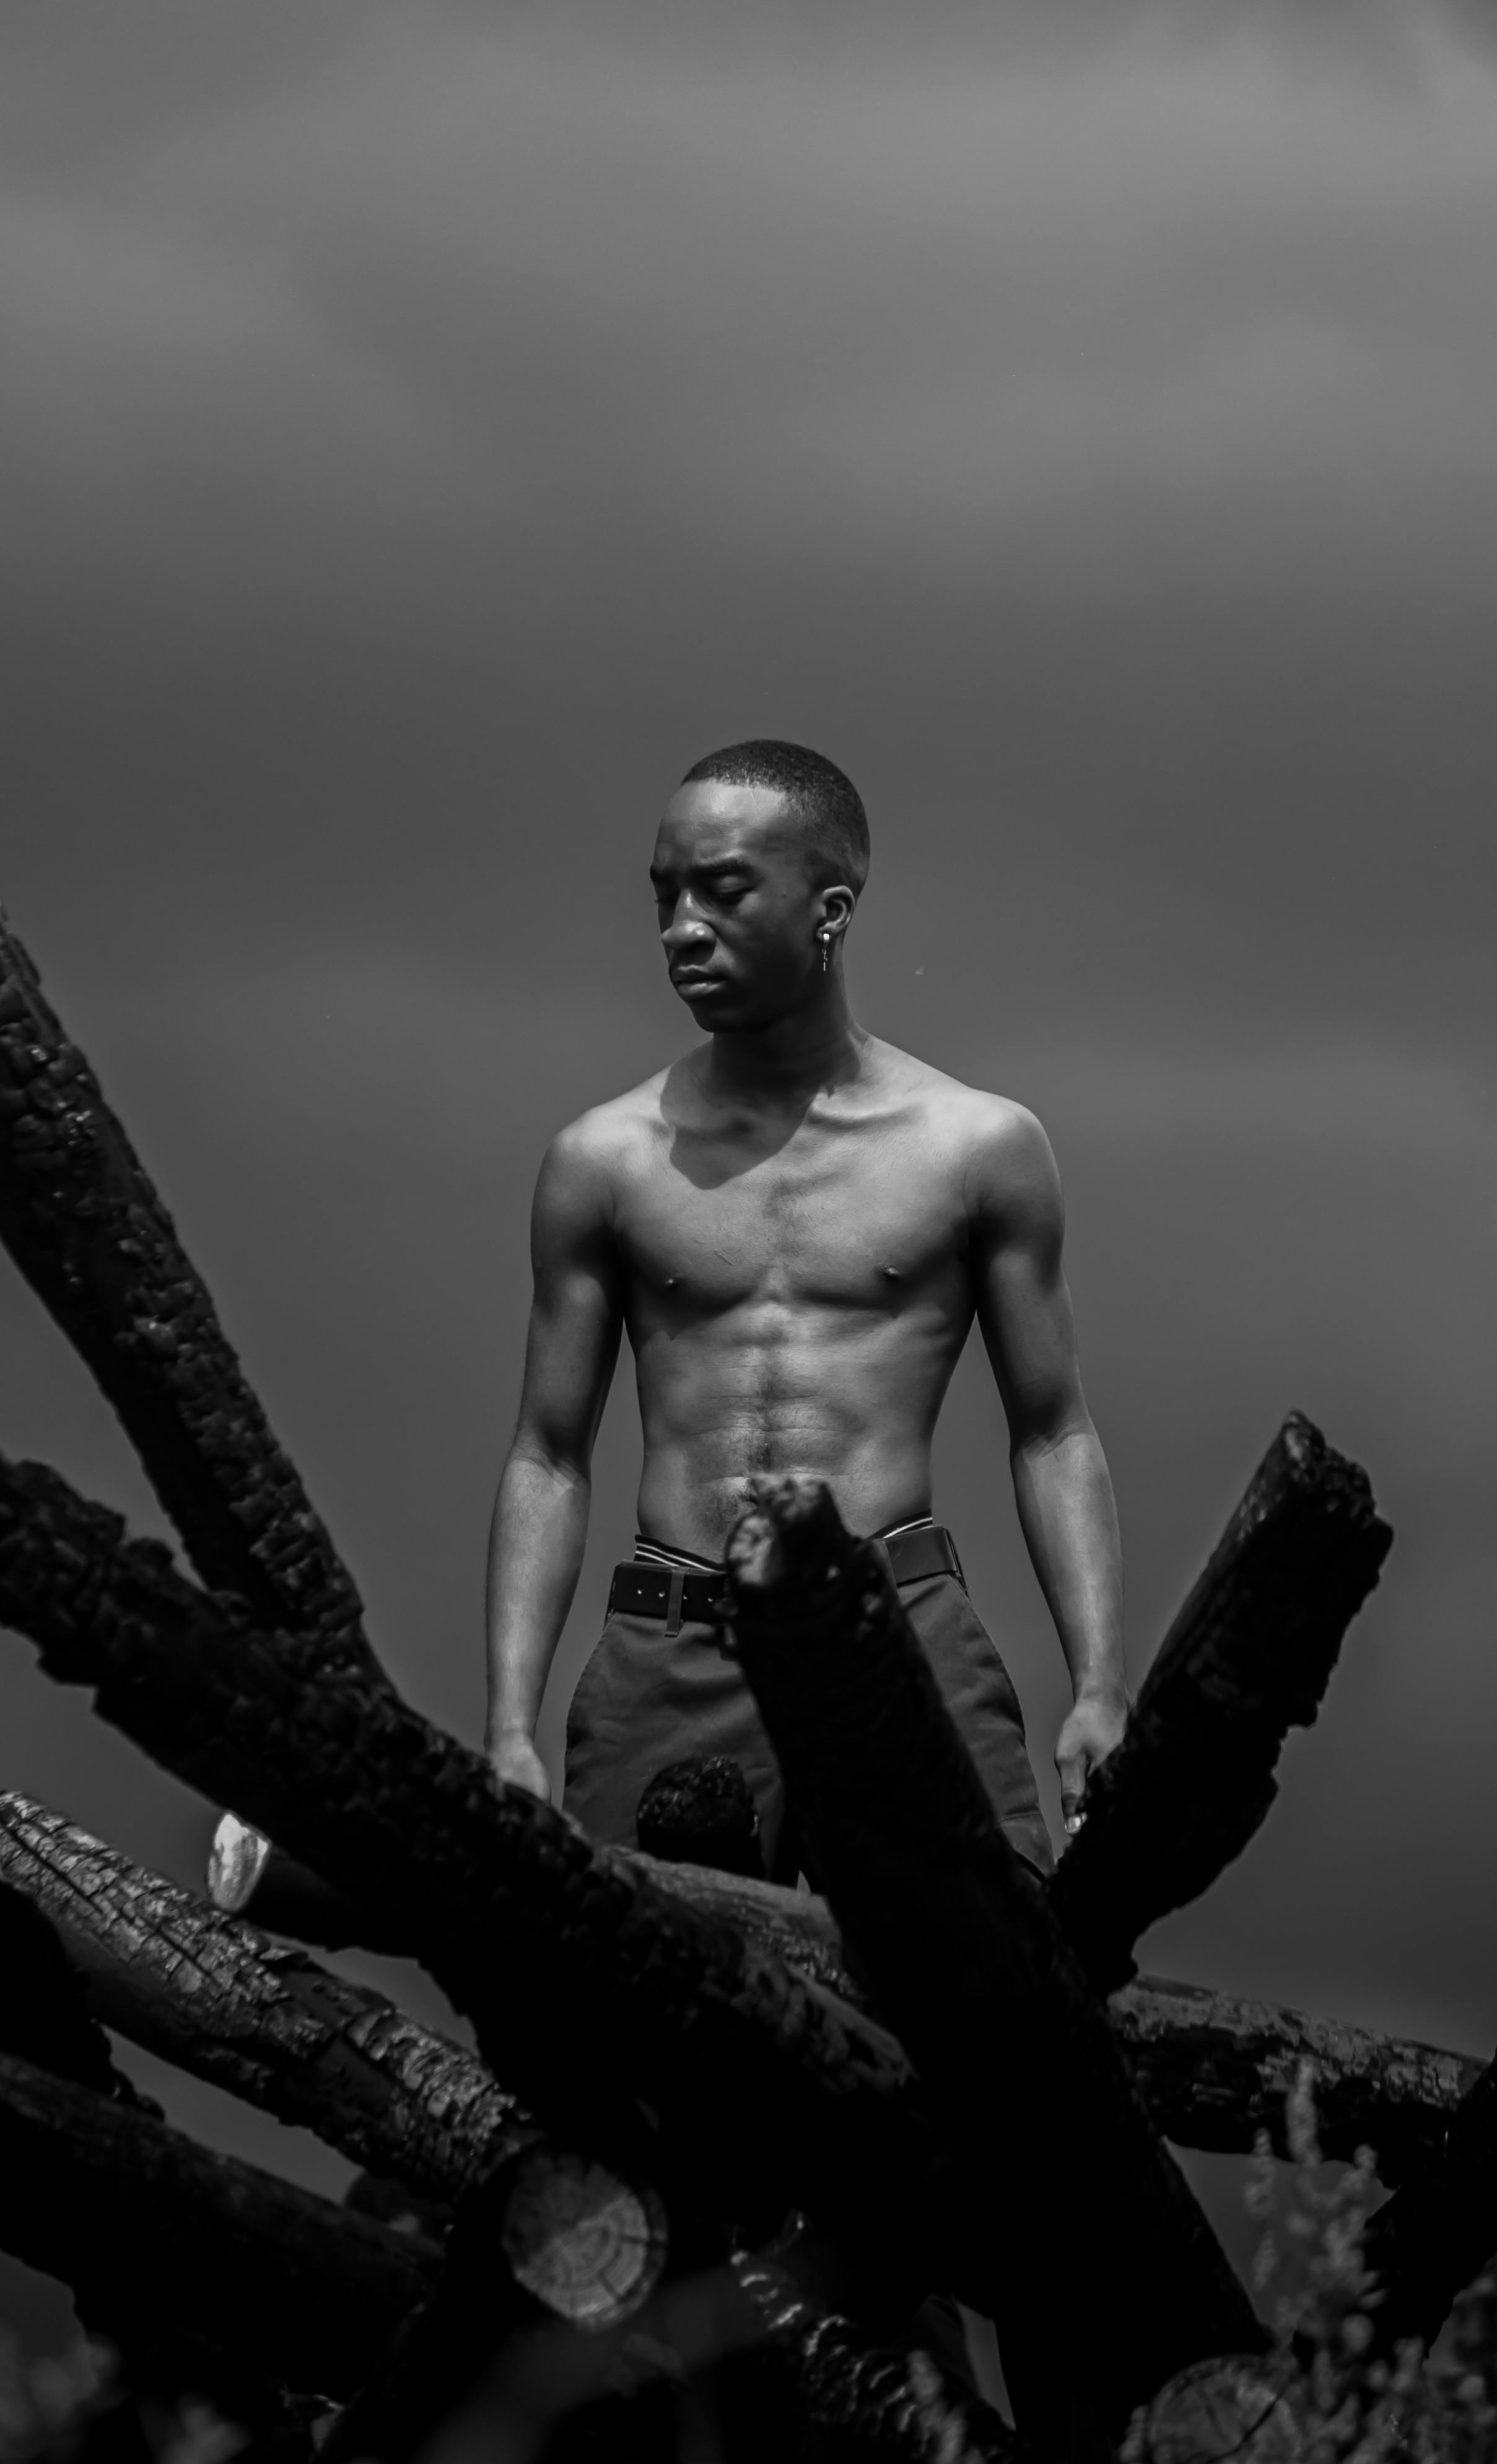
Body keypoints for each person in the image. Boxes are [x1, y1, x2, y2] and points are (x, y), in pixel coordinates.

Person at [483, 738, 1127, 1882]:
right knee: (624, 2012)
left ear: (829, 909)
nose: (683, 927)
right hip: (673, 1639)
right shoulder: (605, 1160)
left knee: (990, 1996)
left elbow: (1054, 1429)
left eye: (723, 889)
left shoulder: (976, 1146)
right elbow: (548, 1455)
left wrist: (1099, 1688)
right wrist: (509, 1732)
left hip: (899, 1632)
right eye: (665, 896)